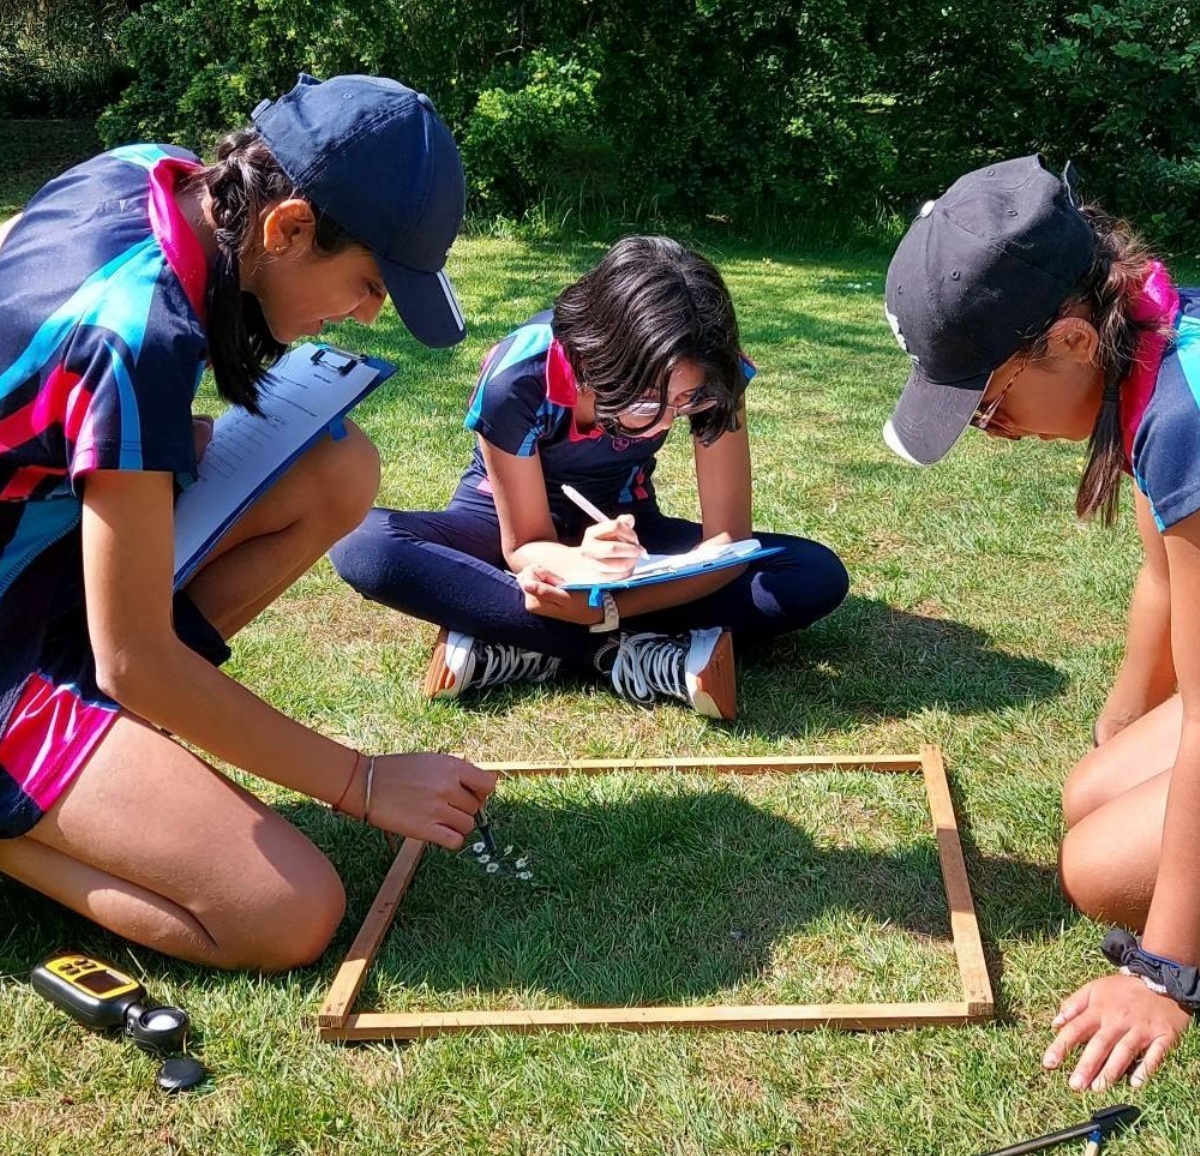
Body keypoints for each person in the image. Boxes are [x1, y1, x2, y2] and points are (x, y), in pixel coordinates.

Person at [0, 73, 495, 971]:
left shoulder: (153, 173)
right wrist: (364, 780)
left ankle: (95, 750)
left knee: (338, 468)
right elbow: (137, 657)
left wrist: (128, 441)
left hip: (31, 567)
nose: (367, 314)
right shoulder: (133, 337)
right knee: (286, 911)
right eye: (369, 282)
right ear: (289, 227)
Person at [881, 154, 1200, 1091]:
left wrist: (1166, 972)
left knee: (1102, 873)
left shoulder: (1188, 424)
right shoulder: (1153, 347)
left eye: (986, 400)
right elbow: (1163, 585)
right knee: (1092, 797)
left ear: (1068, 341)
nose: (989, 426)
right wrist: (1125, 736)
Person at [330, 236, 848, 721]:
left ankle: (519, 641)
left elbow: (729, 541)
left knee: (810, 575)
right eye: (647, 403)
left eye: (687, 404)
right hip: (500, 525)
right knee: (364, 544)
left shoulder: (711, 371)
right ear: (598, 359)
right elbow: (526, 546)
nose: (668, 422)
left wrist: (609, 605)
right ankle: (624, 656)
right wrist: (578, 572)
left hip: (630, 533)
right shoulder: (520, 374)